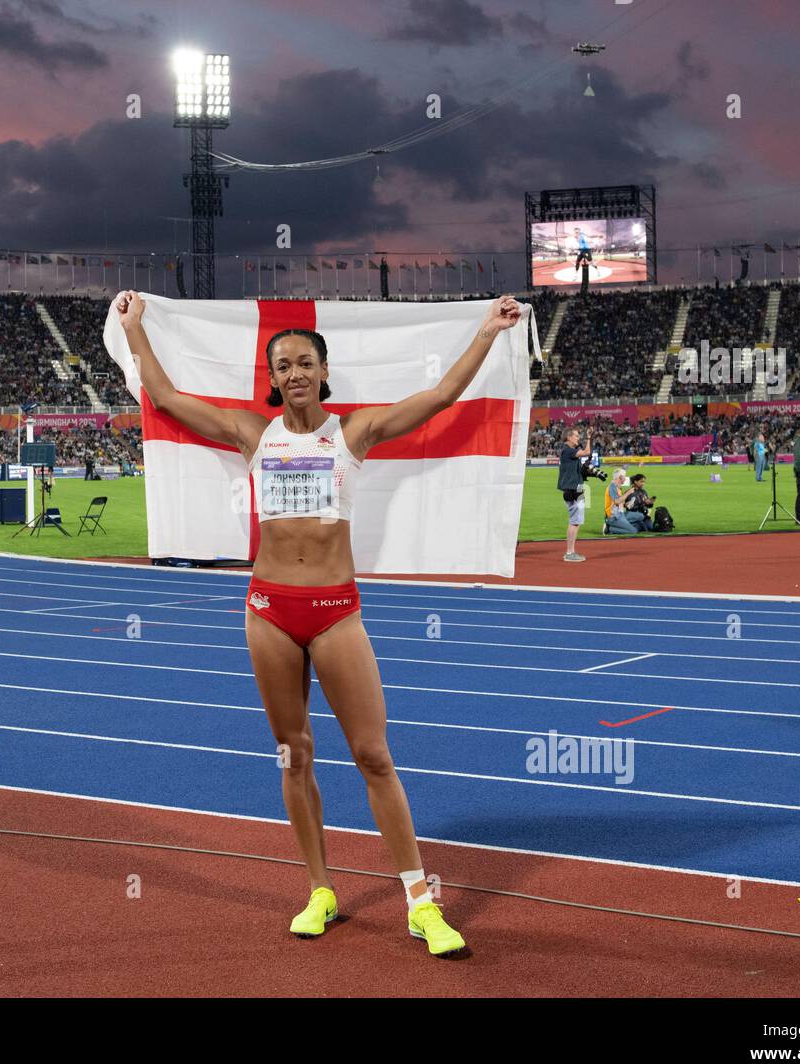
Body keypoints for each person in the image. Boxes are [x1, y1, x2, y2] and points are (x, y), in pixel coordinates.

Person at [114, 289, 525, 956]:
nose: (296, 373)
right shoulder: (253, 432)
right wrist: (135, 328)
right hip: (269, 610)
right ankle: (320, 890)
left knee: (373, 755)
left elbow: (442, 395)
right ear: (273, 379)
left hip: (334, 611)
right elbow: (162, 395)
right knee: (294, 753)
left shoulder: (355, 432)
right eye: (284, 365)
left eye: (306, 362)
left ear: (324, 372)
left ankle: (420, 902)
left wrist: (486, 331)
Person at [558, 425, 593, 561]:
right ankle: (569, 552)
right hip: (573, 489)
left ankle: (571, 551)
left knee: (576, 520)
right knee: (575, 521)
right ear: (569, 437)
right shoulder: (567, 450)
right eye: (577, 436)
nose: (579, 438)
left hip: (576, 488)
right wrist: (589, 437)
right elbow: (587, 452)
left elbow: (577, 471)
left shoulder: (570, 451)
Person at [603, 468, 638, 534]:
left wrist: (625, 505)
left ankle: (616, 526)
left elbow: (616, 503)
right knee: (633, 531)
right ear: (620, 477)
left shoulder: (617, 486)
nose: (625, 478)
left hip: (619, 514)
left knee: (639, 519)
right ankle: (609, 529)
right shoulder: (612, 486)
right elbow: (617, 501)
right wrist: (628, 493)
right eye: (624, 476)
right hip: (614, 517)